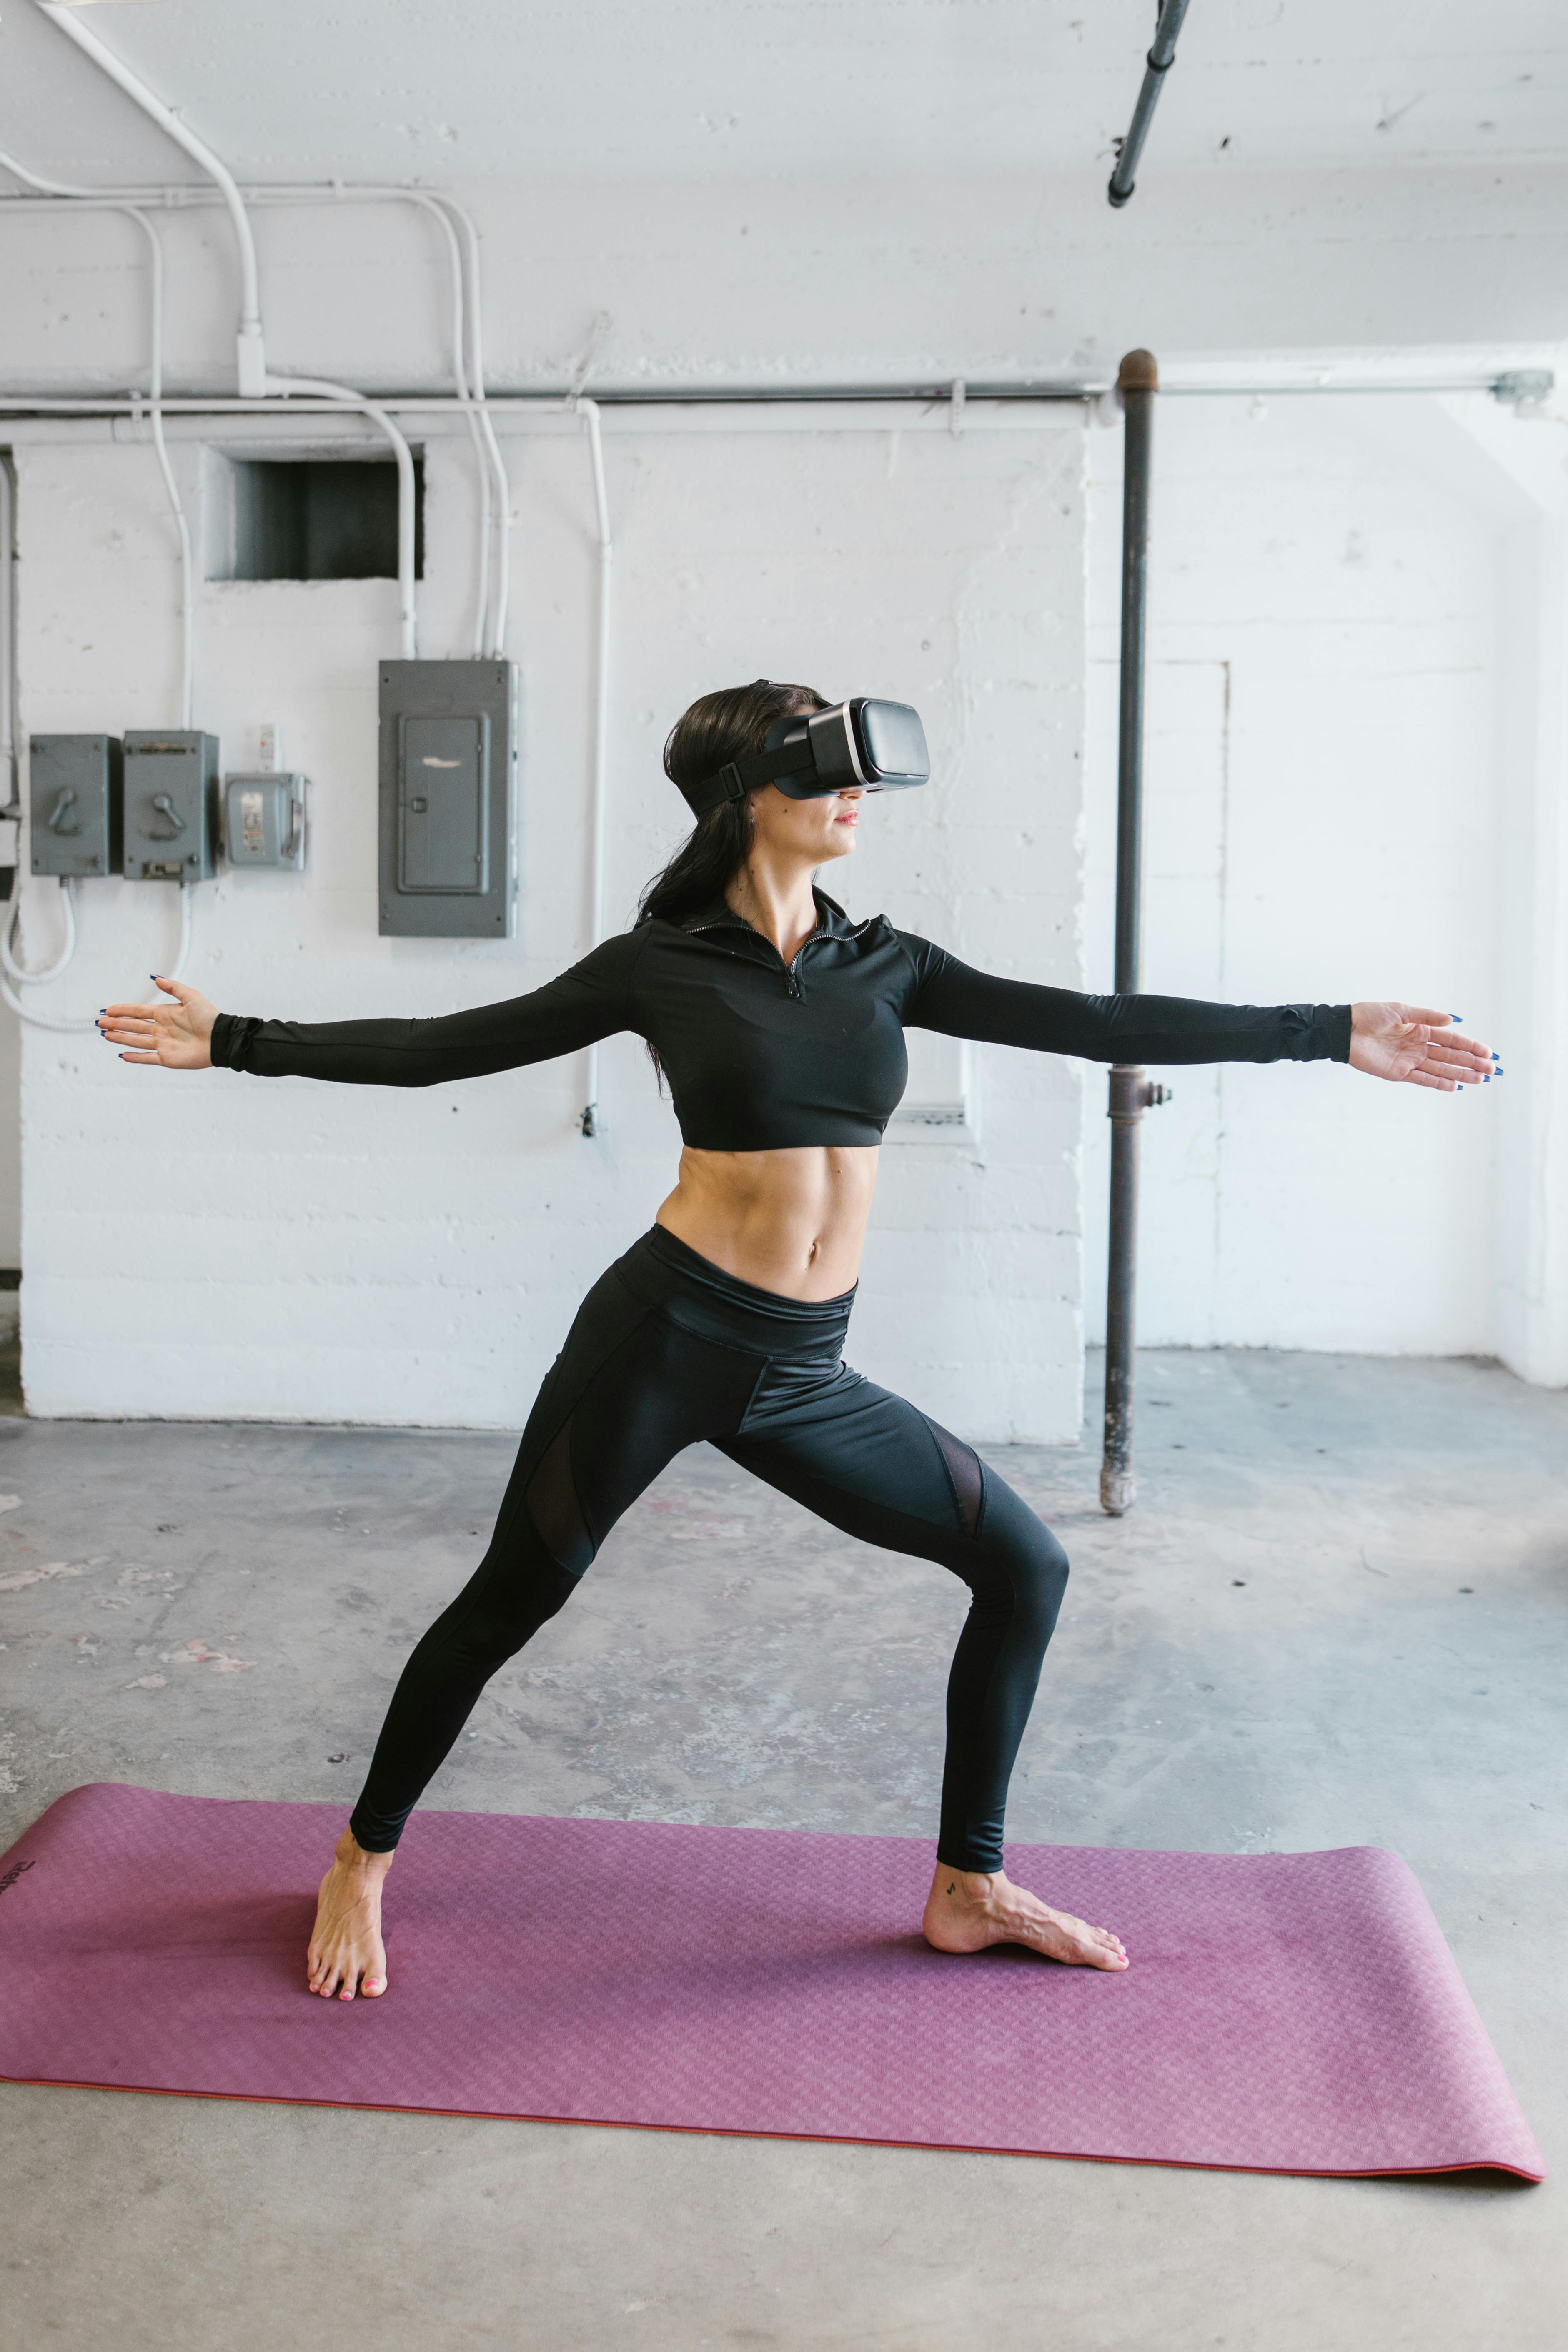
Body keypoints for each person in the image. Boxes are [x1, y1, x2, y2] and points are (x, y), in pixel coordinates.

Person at [98, 679, 1498, 2002]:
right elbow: (451, 1045)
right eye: (825, 773)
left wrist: (1329, 1029)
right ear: (745, 796)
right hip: (663, 1334)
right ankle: (361, 1857)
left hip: (805, 1368)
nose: (857, 798)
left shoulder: (882, 962)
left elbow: (1094, 1022)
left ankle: (970, 1885)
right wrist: (236, 1039)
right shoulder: (661, 965)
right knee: (510, 1600)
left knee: (1022, 1562)